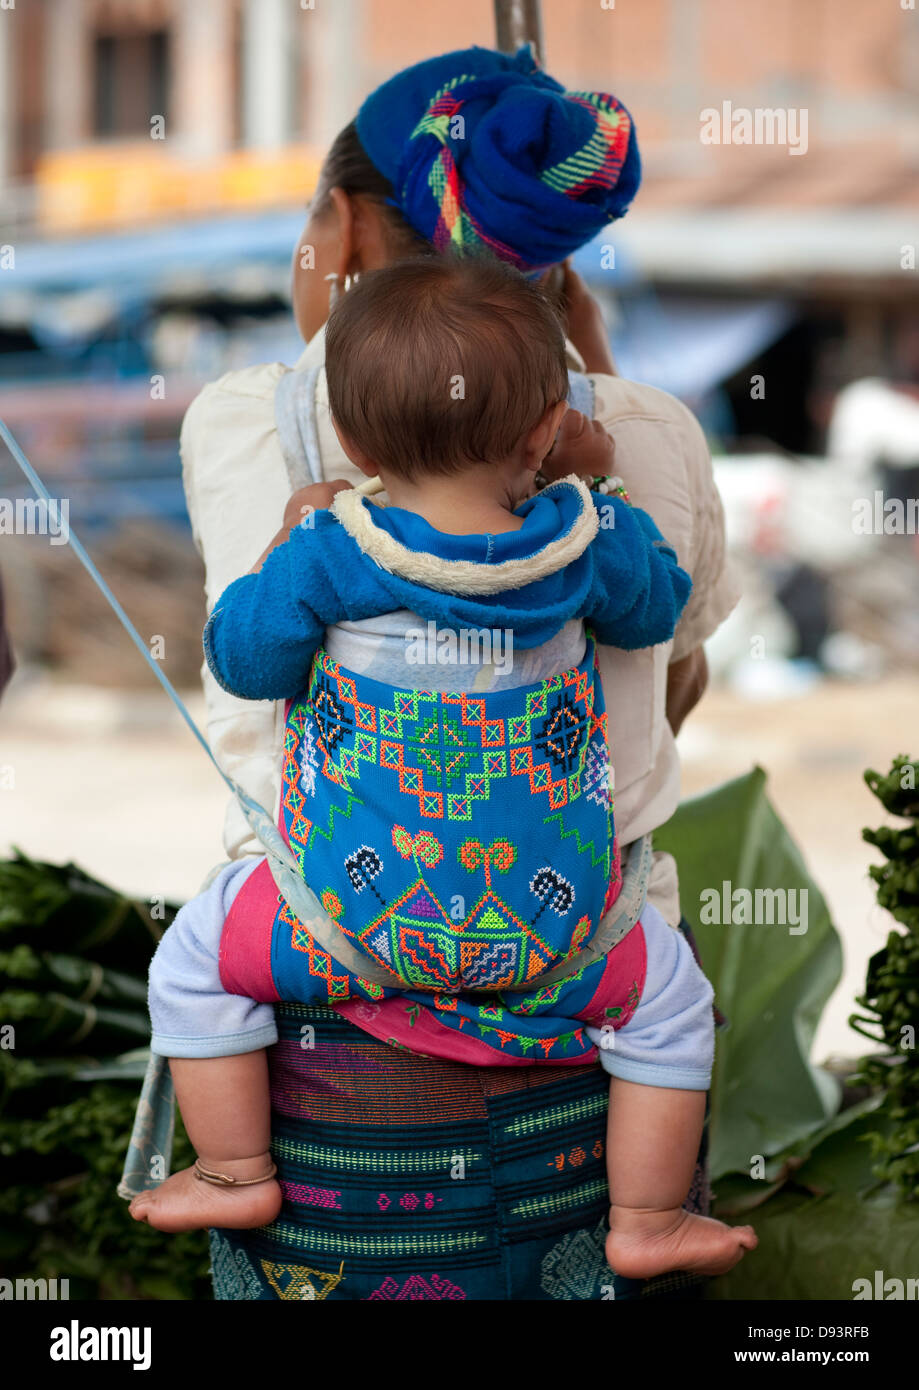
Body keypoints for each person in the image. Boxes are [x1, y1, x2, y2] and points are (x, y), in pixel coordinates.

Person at [164, 46, 740, 1301]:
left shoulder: (251, 425)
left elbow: (248, 662)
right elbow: (676, 658)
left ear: (344, 225)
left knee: (193, 955)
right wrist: (574, 382)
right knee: (667, 1016)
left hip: (322, 1018)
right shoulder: (630, 443)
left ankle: (226, 1167)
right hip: (582, 990)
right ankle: (644, 1217)